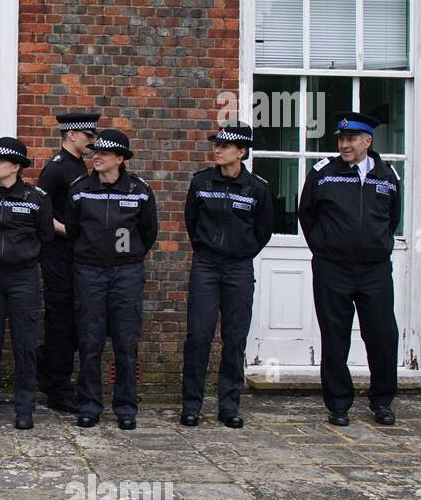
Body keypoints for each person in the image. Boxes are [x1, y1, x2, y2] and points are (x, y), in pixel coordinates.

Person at [297, 112, 402, 426]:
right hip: (333, 269)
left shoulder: (387, 176)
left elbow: (392, 219)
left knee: (383, 335)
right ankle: (338, 404)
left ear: (367, 141)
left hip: (375, 269)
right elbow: (307, 215)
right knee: (335, 336)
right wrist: (325, 248)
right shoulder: (323, 173)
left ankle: (382, 401)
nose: (344, 144)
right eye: (341, 139)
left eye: (351, 139)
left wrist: (376, 245)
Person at [180, 121, 273, 428]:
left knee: (234, 338)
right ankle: (191, 405)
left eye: (224, 146)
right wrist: (208, 250)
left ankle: (229, 405)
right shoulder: (201, 182)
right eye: (215, 145)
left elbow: (263, 231)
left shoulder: (258, 188)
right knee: (199, 336)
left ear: (241, 152)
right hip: (206, 265)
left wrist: (240, 252)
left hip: (238, 268)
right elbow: (192, 223)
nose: (217, 150)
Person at [68, 129, 157, 430]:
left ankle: (125, 407)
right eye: (95, 152)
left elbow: (148, 233)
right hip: (89, 272)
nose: (97, 157)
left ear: (120, 158)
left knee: (125, 342)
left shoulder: (140, 191)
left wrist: (128, 258)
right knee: (90, 341)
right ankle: (90, 405)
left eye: (104, 154)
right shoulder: (80, 188)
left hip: (127, 273)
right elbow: (73, 230)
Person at [0, 138, 54, 429]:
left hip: (24, 277)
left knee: (25, 344)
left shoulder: (36, 199)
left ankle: (24, 409)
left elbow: (46, 240)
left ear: (16, 166)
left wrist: (23, 260)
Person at [36, 112, 98, 413]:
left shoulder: (80, 166)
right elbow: (41, 211)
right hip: (58, 255)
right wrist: (70, 232)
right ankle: (57, 389)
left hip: (77, 256)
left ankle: (47, 371)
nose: (93, 141)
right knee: (62, 323)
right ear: (72, 134)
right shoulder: (56, 169)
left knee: (74, 323)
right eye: (89, 136)